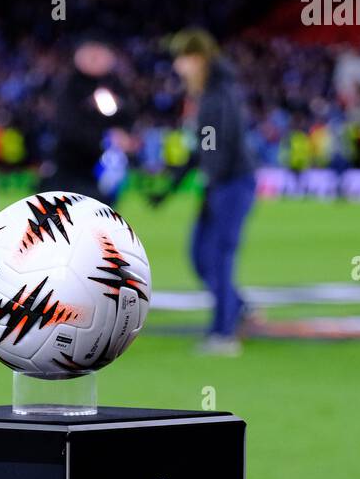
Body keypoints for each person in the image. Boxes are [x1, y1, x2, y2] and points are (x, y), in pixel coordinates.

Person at [151, 29, 257, 355]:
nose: (178, 66)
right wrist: (170, 188)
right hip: (220, 184)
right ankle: (237, 309)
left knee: (219, 256)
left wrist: (211, 185)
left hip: (232, 184)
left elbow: (219, 146)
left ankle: (224, 334)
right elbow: (202, 149)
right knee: (201, 256)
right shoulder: (208, 94)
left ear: (198, 59)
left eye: (182, 58)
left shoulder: (219, 94)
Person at [42, 36, 132, 201]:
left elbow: (126, 118)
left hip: (102, 168)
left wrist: (125, 137)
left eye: (100, 53)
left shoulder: (115, 85)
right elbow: (66, 126)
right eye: (91, 53)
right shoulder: (69, 85)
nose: (96, 58)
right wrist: (104, 139)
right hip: (70, 167)